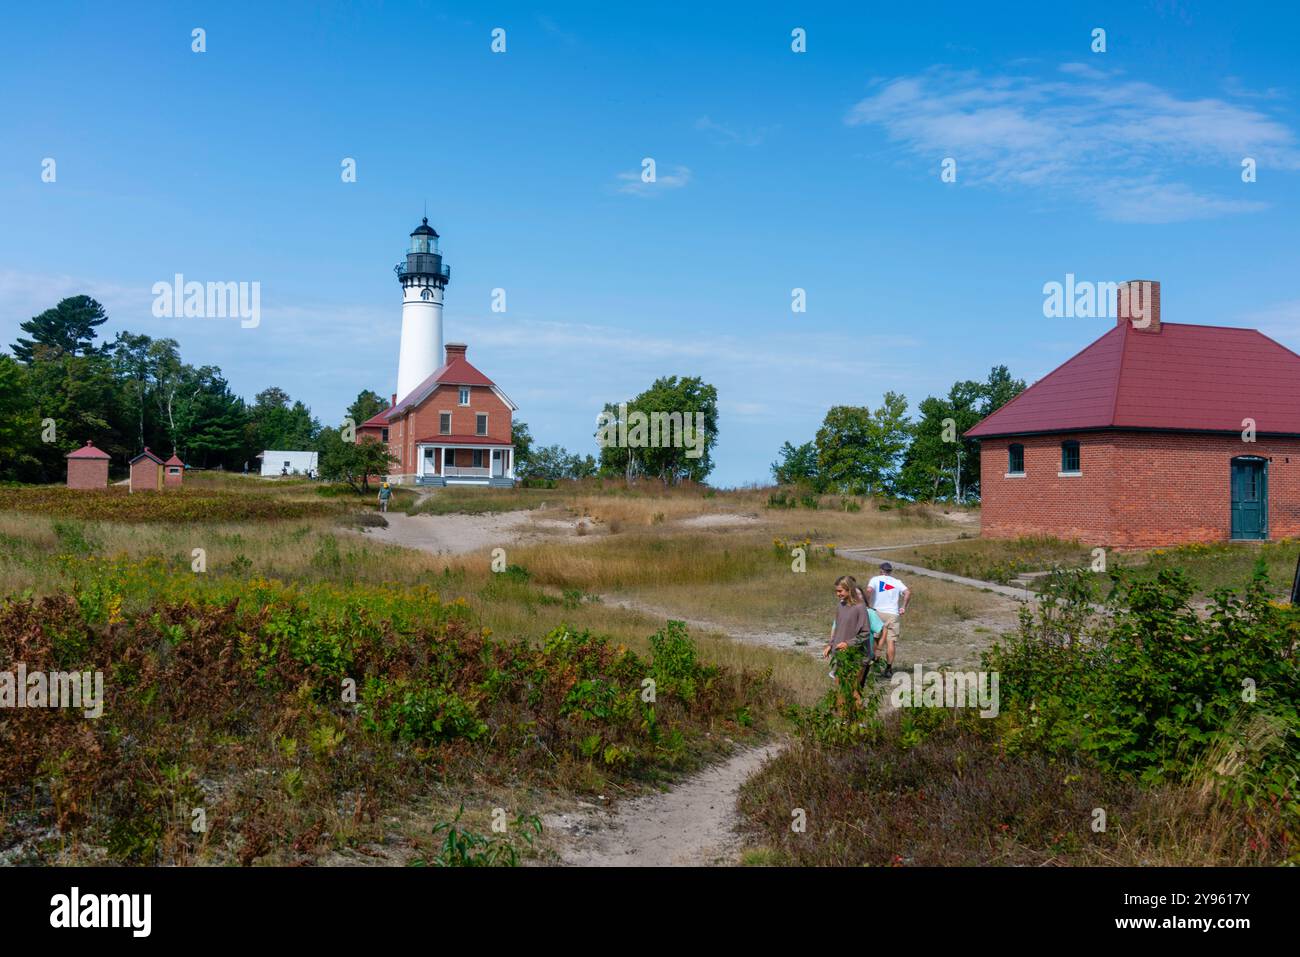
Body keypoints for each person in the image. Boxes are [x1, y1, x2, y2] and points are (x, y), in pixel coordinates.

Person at [866, 561, 909, 679]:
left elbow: (869, 590)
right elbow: (907, 592)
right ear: (890, 571)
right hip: (893, 614)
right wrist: (903, 607)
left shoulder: (875, 579)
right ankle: (889, 668)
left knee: (875, 638)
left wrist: (867, 604)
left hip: (877, 612)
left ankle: (874, 662)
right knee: (891, 642)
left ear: (881, 570)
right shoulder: (897, 582)